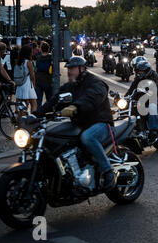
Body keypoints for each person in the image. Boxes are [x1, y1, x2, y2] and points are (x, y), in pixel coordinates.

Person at [35, 56, 116, 191]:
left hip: (100, 123)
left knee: (87, 137)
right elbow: (54, 100)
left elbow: (91, 98)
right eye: (68, 69)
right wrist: (35, 115)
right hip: (81, 124)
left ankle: (108, 171)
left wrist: (76, 107)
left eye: (72, 68)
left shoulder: (95, 83)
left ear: (82, 68)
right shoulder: (71, 86)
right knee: (54, 134)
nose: (69, 71)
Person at [125, 60, 158, 135]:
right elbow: (132, 88)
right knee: (129, 108)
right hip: (140, 99)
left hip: (152, 98)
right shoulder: (138, 78)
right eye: (139, 71)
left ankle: (154, 128)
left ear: (147, 70)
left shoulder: (154, 75)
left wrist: (154, 91)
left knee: (152, 108)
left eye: (142, 71)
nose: (140, 73)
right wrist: (125, 97)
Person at [14, 45, 37, 114]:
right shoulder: (28, 62)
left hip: (20, 84)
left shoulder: (19, 61)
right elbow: (32, 76)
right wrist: (34, 85)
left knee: (24, 105)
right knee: (33, 104)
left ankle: (21, 120)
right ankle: (30, 120)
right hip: (27, 84)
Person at [35, 41, 53, 107]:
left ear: (41, 49)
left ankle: (37, 115)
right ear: (48, 49)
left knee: (38, 102)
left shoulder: (37, 57)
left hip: (38, 81)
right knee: (50, 101)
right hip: (48, 81)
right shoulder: (51, 57)